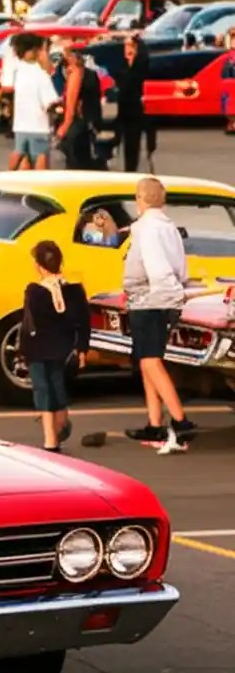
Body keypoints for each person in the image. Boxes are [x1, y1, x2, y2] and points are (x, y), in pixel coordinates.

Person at [122, 178, 198, 455]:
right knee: (145, 361)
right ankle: (154, 423)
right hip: (157, 299)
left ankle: (180, 421)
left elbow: (156, 266)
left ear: (139, 200)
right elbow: (180, 265)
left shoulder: (147, 229)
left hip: (151, 300)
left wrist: (162, 295)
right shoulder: (169, 228)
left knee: (151, 361)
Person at [19, 241, 89, 454]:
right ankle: (60, 426)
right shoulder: (75, 291)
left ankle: (51, 438)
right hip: (63, 348)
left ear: (39, 265)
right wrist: (82, 348)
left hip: (38, 348)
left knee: (42, 390)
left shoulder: (34, 291)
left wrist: (23, 351)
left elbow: (28, 323)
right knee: (57, 384)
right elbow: (83, 321)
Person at [9, 32, 59, 171]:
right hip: (39, 126)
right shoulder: (41, 75)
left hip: (20, 126)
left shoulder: (18, 72)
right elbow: (50, 102)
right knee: (40, 157)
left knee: (22, 157)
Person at [55, 46, 101, 170]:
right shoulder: (90, 74)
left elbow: (71, 103)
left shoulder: (75, 74)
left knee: (74, 160)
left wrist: (65, 125)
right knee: (84, 158)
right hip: (88, 121)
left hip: (77, 122)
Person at [113, 35, 151, 172]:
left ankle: (131, 170)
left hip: (136, 111)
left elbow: (135, 83)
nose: (127, 49)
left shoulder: (141, 66)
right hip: (122, 110)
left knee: (133, 144)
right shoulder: (121, 66)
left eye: (131, 46)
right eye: (126, 46)